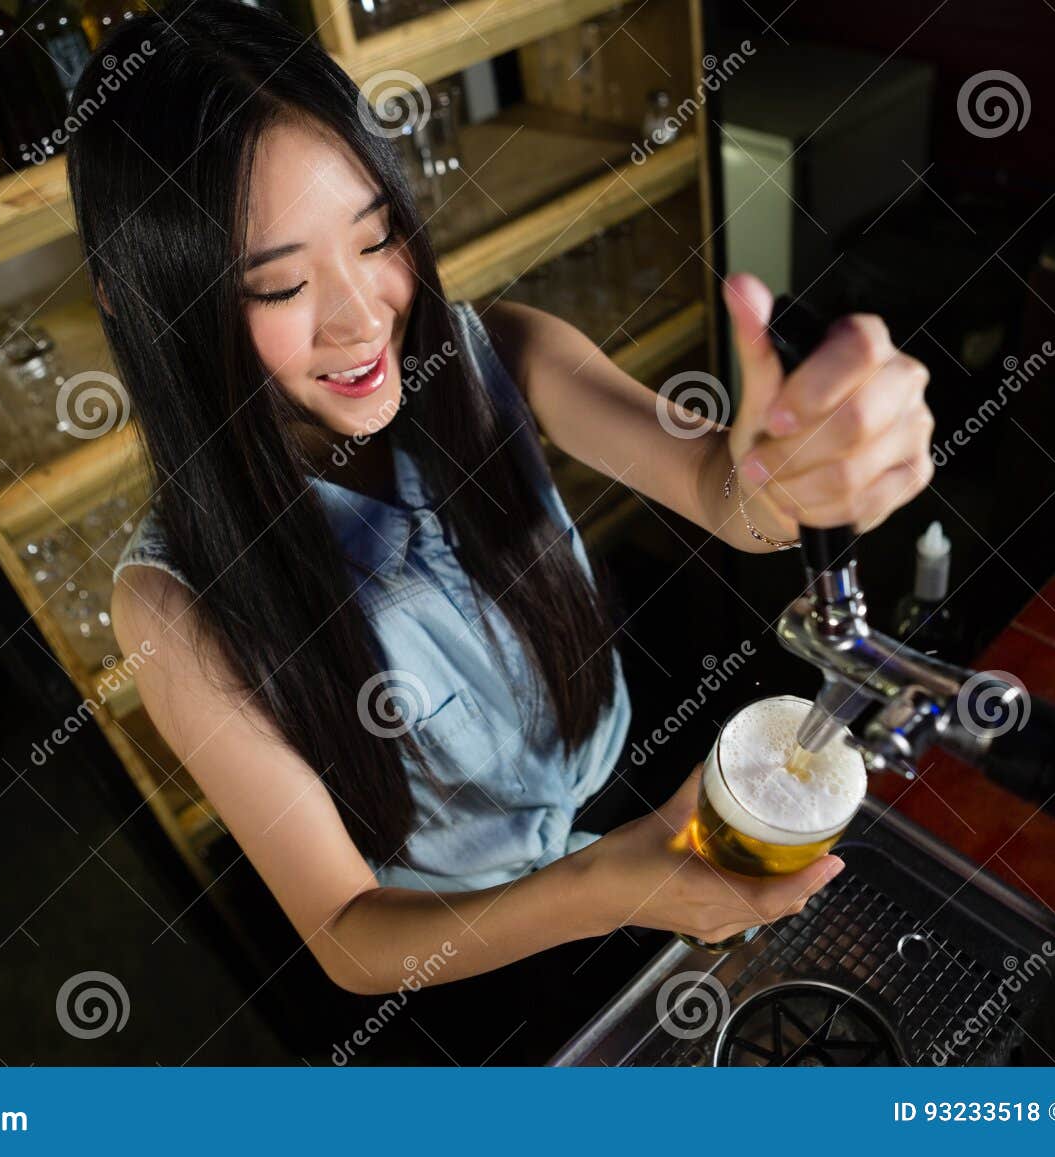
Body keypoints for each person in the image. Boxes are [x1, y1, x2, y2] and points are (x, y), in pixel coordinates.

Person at [66, 0, 933, 1055]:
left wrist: (797, 461)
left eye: (378, 237)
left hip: (633, 792)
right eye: (279, 284)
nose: (361, 316)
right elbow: (346, 932)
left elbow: (730, 497)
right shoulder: (170, 598)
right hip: (466, 949)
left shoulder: (500, 353)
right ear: (139, 303)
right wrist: (602, 892)